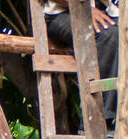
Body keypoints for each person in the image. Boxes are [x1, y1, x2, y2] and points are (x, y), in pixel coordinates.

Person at [45, 0, 118, 130]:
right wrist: (83, 9)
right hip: (61, 14)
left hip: (99, 11)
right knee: (108, 36)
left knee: (121, 33)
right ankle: (100, 122)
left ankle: (120, 117)